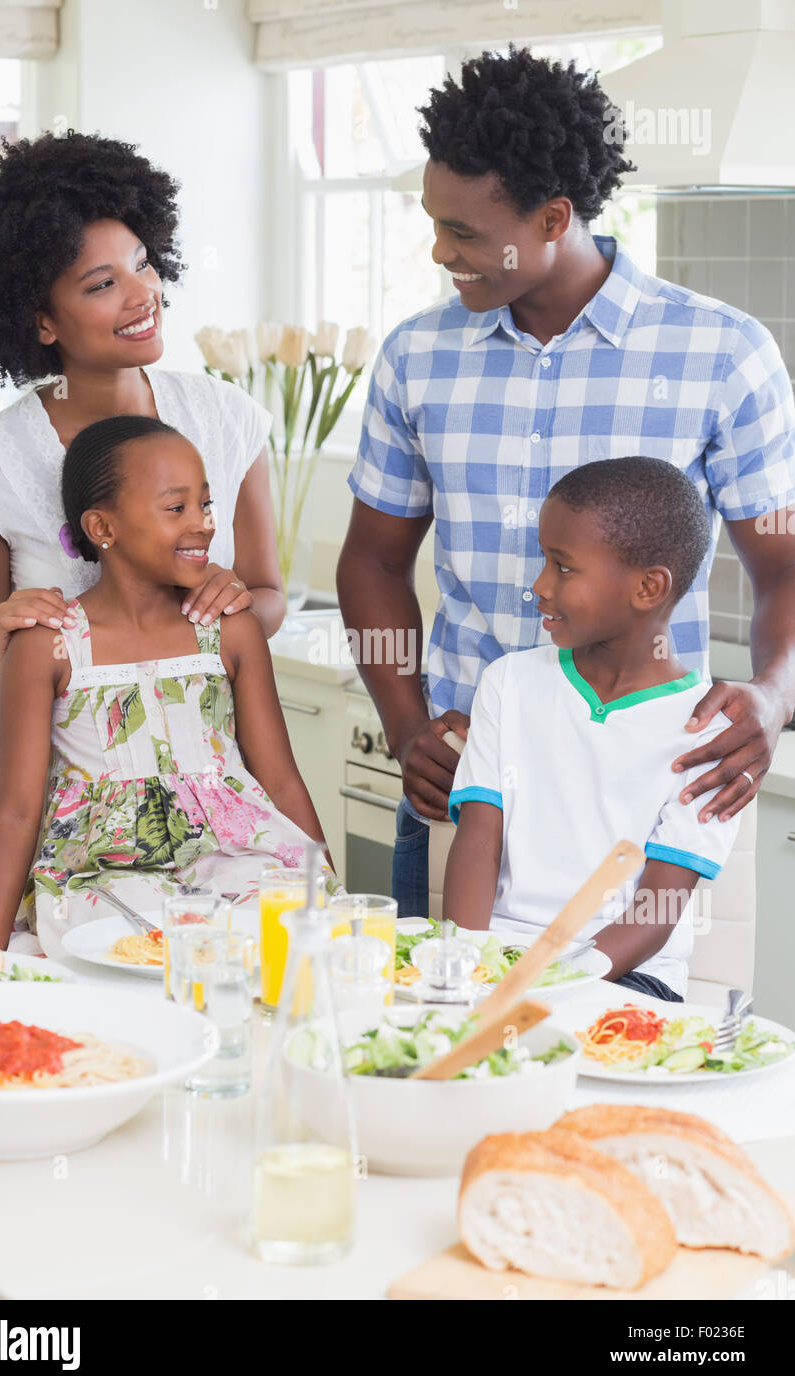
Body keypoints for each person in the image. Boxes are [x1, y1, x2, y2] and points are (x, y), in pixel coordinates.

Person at [337, 48, 795, 918]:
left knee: (640, 1037)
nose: (440, 252)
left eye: (464, 232)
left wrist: (772, 695)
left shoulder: (722, 355)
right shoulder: (416, 358)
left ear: (553, 218)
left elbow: (785, 567)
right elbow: (371, 562)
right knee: (431, 1035)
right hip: (461, 785)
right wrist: (405, 727)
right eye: (434, 224)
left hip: (644, 796)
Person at [0, 130, 284, 691]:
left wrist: (236, 605)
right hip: (72, 767)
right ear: (41, 321)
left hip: (216, 761)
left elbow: (268, 598)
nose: (143, 293)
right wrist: (23, 648)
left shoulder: (228, 419)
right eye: (102, 284)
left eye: (142, 263)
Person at [0, 417, 332, 956]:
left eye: (205, 505)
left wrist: (330, 887)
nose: (203, 524)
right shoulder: (47, 645)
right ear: (102, 528)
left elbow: (279, 781)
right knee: (119, 937)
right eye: (176, 508)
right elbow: (17, 812)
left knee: (285, 922)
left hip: (235, 861)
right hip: (104, 873)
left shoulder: (231, 628)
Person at [443, 458, 741, 1003]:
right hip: (497, 961)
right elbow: (478, 843)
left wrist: (547, 987)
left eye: (563, 567)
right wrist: (462, 963)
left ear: (648, 588)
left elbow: (654, 914)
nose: (539, 586)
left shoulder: (713, 734)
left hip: (627, 974)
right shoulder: (509, 684)